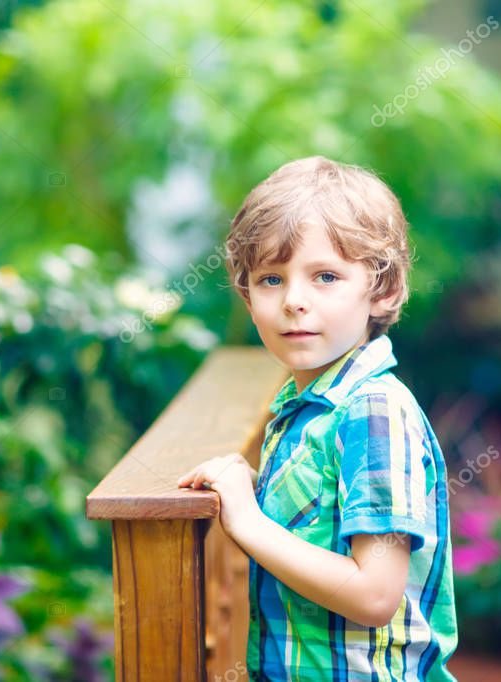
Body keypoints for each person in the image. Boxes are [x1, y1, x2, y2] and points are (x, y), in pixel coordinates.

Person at [177, 156, 458, 681]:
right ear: (247, 295)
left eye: (325, 276)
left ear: (385, 290)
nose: (294, 302)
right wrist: (251, 488)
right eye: (270, 279)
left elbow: (374, 594)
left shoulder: (374, 410)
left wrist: (248, 520)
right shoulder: (302, 406)